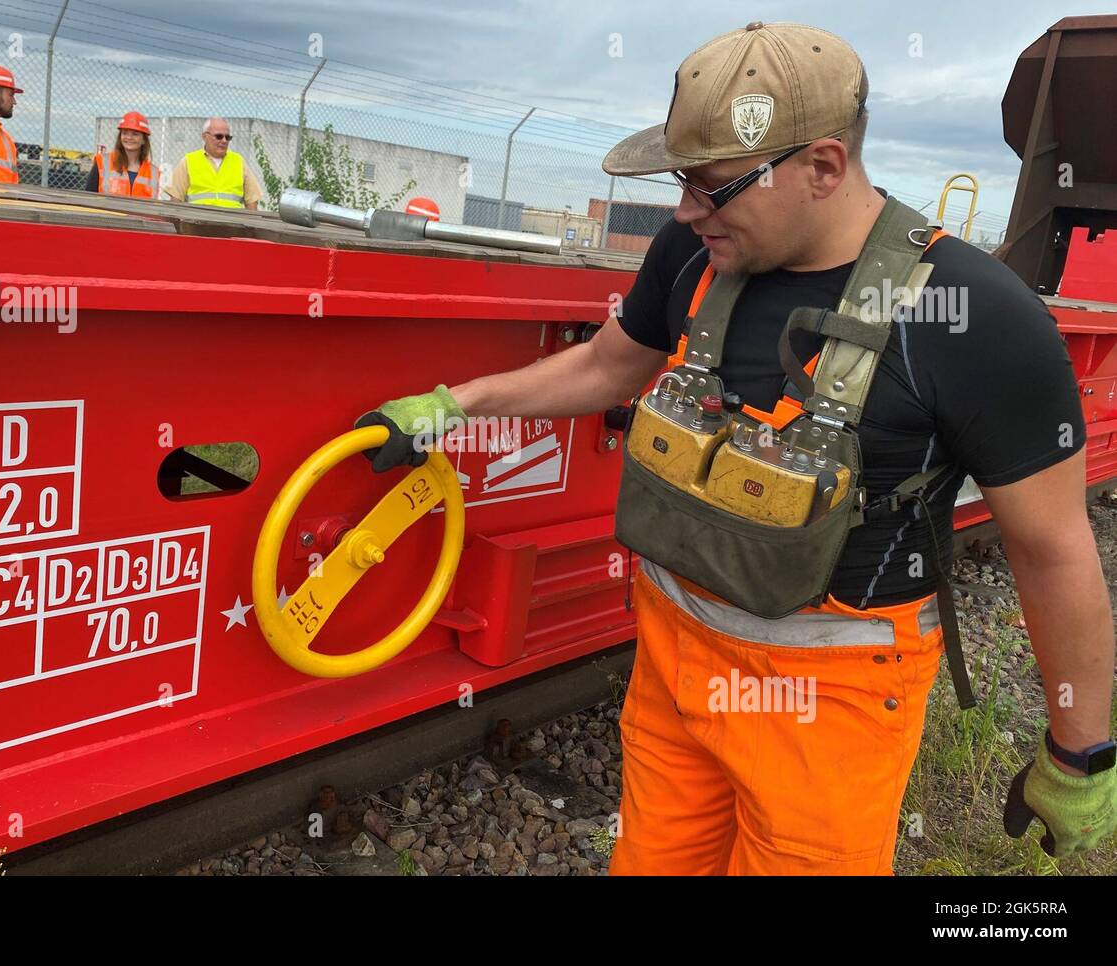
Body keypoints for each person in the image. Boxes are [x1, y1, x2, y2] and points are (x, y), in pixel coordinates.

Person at [356, 22, 1116, 874]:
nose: (684, 209)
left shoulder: (977, 317)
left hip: (831, 711)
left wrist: (1080, 753)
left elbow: (1052, 550)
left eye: (712, 186)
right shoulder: (696, 251)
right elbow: (611, 366)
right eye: (683, 181)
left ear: (823, 167)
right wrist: (454, 404)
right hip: (673, 669)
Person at [164, 117, 262, 209]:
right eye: (219, 136)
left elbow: (252, 200)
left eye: (227, 137)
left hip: (232, 223)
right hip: (196, 223)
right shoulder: (188, 161)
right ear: (204, 136)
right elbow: (175, 200)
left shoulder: (238, 162)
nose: (224, 140)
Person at [87, 111, 158, 198]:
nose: (129, 137)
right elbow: (89, 197)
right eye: (125, 133)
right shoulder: (102, 163)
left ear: (143, 140)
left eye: (135, 134)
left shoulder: (154, 173)